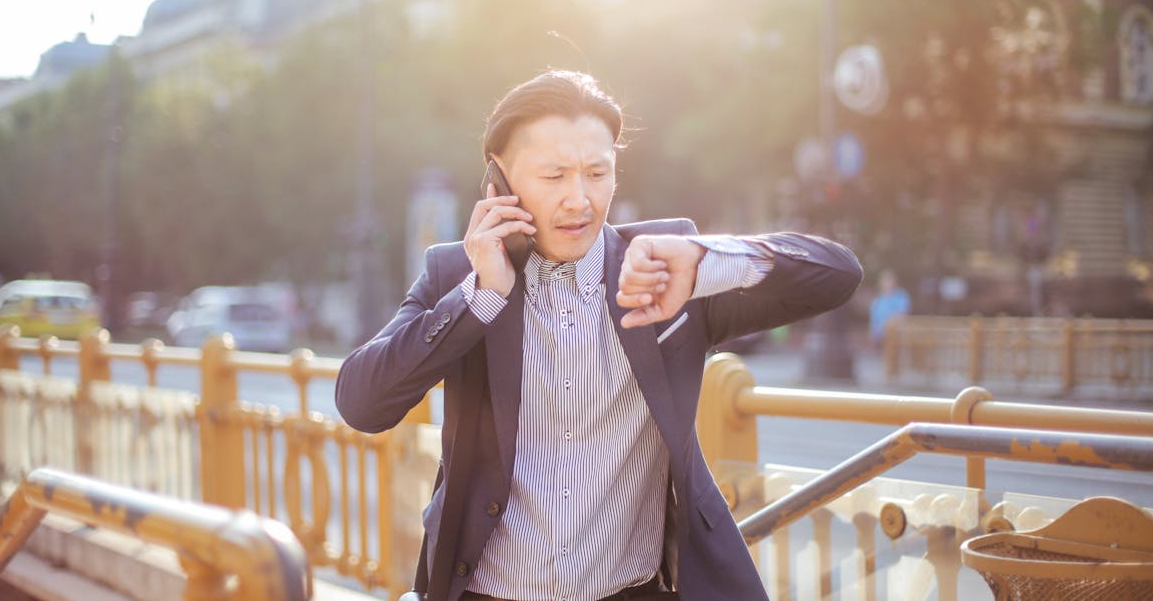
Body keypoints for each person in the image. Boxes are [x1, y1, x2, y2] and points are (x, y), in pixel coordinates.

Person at [336, 70, 862, 601]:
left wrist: (710, 260)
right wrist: (482, 297)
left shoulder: (662, 269)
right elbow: (361, 403)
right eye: (554, 175)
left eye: (596, 172)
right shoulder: (457, 275)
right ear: (498, 181)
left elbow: (838, 275)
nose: (579, 200)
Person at [868, 270, 910, 348]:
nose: (887, 283)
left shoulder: (901, 296)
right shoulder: (877, 301)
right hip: (881, 338)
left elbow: (902, 314)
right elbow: (873, 322)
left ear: (894, 282)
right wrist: (873, 335)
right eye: (885, 281)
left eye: (889, 280)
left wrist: (888, 324)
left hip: (897, 336)